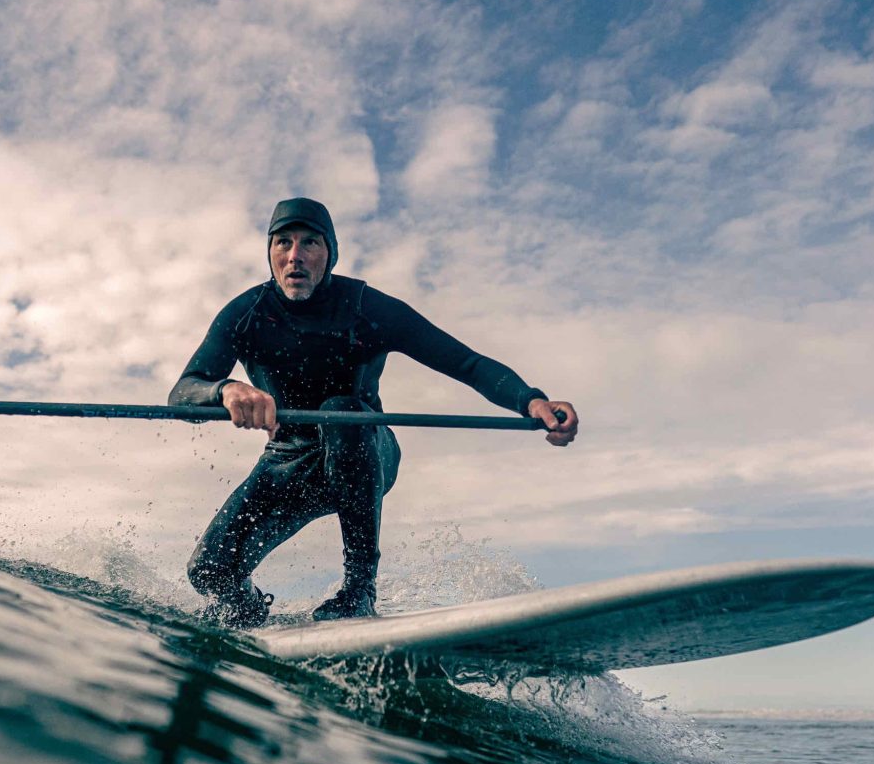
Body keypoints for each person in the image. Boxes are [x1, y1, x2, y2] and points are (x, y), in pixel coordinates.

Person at [169, 197, 578, 627]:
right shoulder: (246, 315)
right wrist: (225, 389)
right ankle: (249, 611)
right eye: (283, 242)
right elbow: (183, 393)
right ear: (269, 253)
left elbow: (466, 363)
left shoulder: (367, 309)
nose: (295, 256)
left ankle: (359, 589)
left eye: (309, 242)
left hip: (365, 450)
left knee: (340, 412)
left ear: (329, 253)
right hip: (289, 462)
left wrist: (532, 401)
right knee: (209, 572)